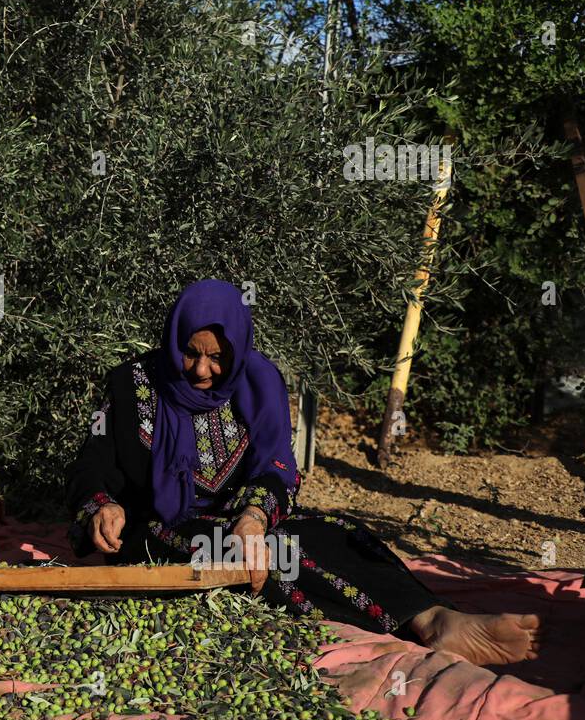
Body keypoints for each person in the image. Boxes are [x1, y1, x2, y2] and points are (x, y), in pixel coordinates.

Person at [64, 278, 545, 667]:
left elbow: (279, 467)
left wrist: (253, 517)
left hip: (243, 521)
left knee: (339, 534)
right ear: (174, 341)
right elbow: (91, 462)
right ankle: (420, 624)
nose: (202, 371)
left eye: (217, 357)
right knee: (256, 559)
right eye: (190, 353)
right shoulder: (132, 385)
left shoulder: (259, 381)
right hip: (161, 528)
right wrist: (102, 506)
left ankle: (434, 618)